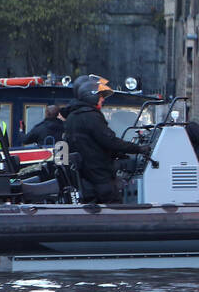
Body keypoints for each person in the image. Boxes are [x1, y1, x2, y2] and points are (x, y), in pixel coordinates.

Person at [62, 74, 147, 204]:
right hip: (99, 175)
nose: (103, 100)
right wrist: (138, 148)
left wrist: (118, 153)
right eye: (101, 97)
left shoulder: (74, 116)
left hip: (88, 173)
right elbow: (109, 140)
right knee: (113, 206)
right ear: (92, 96)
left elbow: (93, 143)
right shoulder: (90, 116)